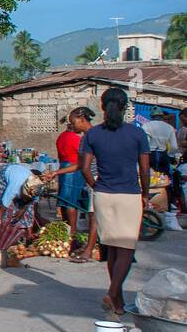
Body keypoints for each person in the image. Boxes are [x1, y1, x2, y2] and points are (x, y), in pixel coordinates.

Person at [80, 86, 150, 317]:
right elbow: (144, 168)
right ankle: (112, 292)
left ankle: (118, 302)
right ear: (124, 107)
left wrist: (96, 186)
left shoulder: (93, 134)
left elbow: (84, 168)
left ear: (102, 107)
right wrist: (146, 193)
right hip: (129, 195)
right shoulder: (137, 134)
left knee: (111, 248)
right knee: (126, 249)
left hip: (103, 195)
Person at [44, 107, 98, 260]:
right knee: (92, 214)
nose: (72, 125)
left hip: (99, 179)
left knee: (92, 214)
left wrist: (94, 182)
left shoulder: (93, 136)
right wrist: (56, 173)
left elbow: (84, 166)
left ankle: (88, 248)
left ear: (81, 119)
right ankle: (89, 246)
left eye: (73, 122)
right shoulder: (82, 139)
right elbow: (80, 165)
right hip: (91, 180)